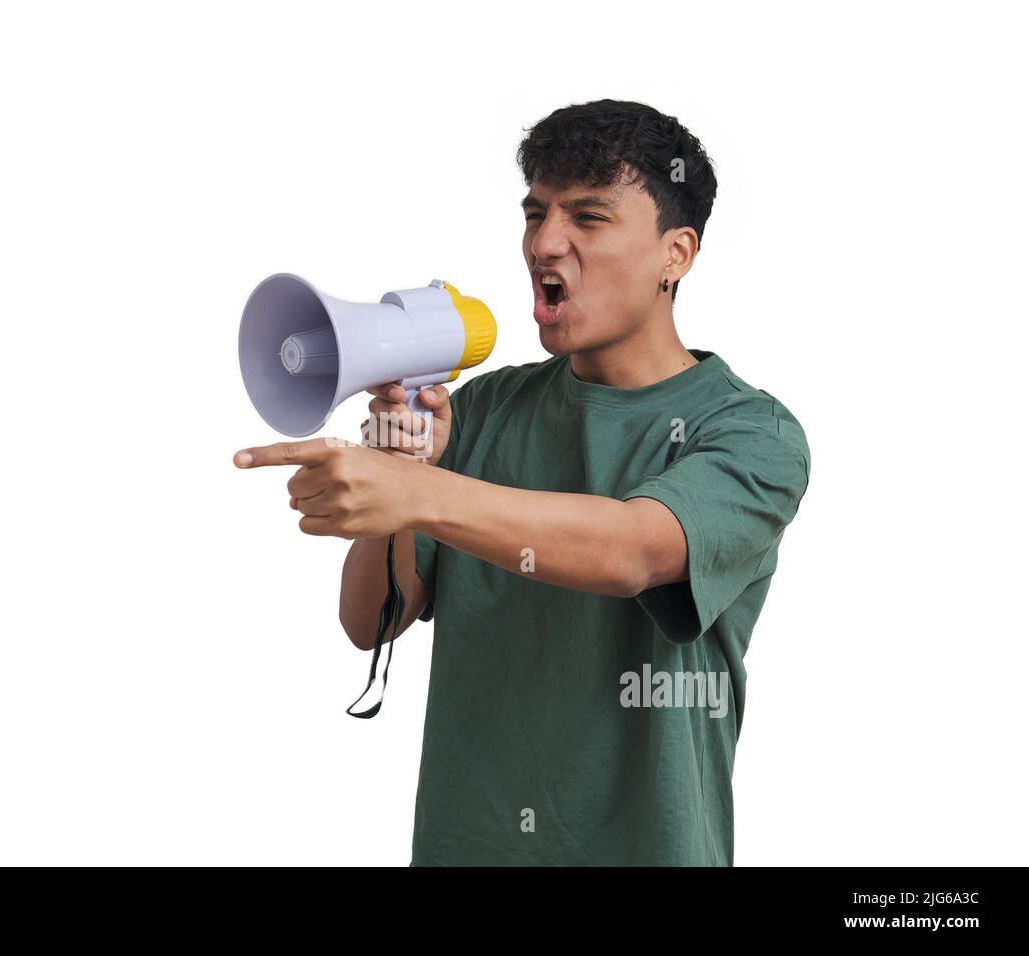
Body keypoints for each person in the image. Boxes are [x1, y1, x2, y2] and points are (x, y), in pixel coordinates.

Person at [233, 99, 811, 865]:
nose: (545, 242)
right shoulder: (484, 410)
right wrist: (403, 469)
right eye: (535, 213)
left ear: (677, 253)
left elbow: (636, 550)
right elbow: (371, 614)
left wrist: (421, 494)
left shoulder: (750, 433)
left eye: (589, 218)